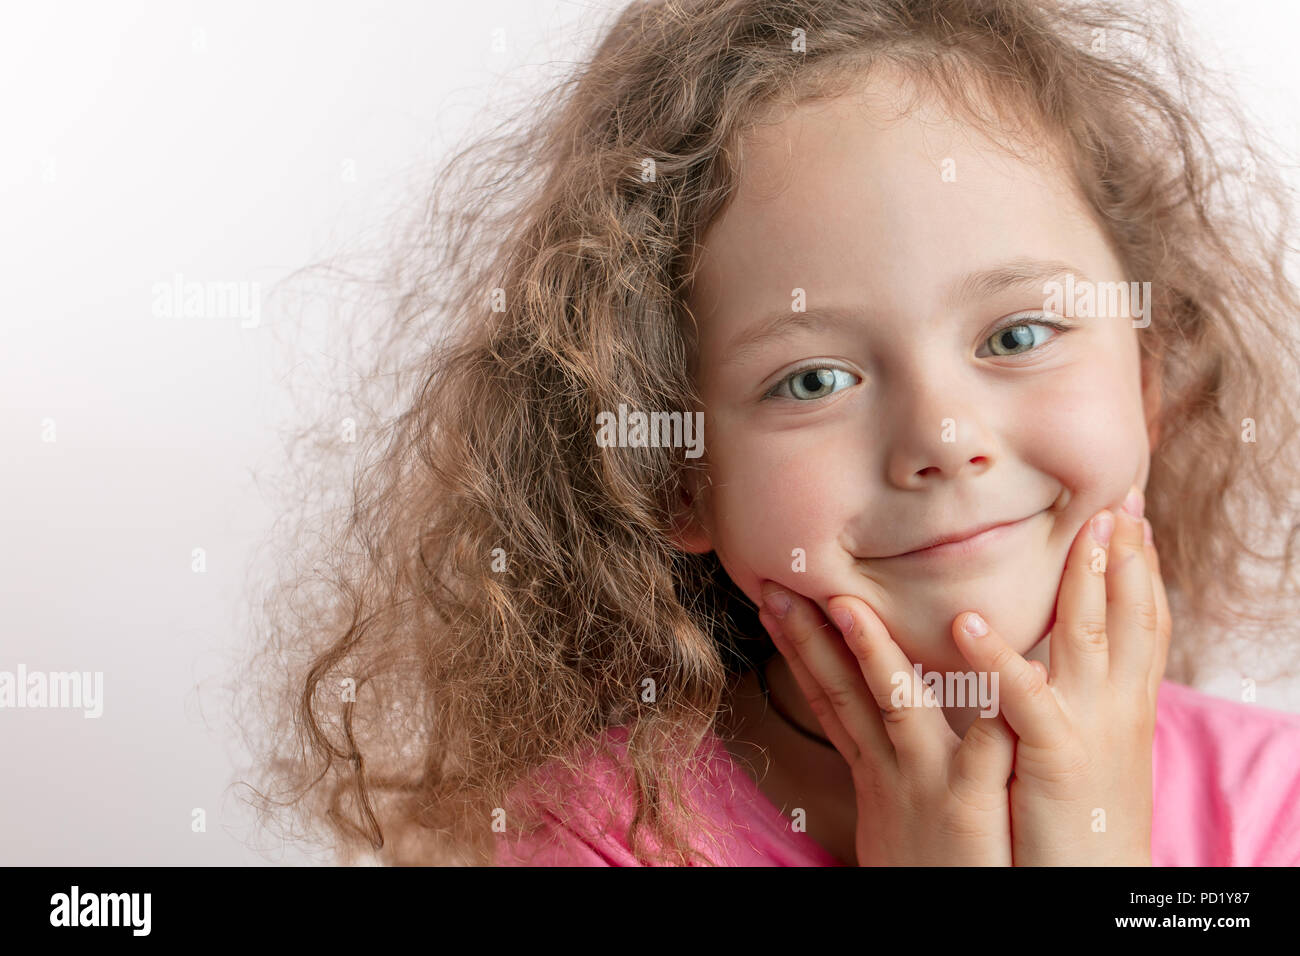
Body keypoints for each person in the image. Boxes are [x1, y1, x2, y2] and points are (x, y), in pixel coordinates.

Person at [242, 0, 1300, 866]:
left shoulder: (1273, 807)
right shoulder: (596, 841)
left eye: (1019, 331)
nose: (942, 436)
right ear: (673, 476)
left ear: (1149, 375)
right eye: (813, 377)